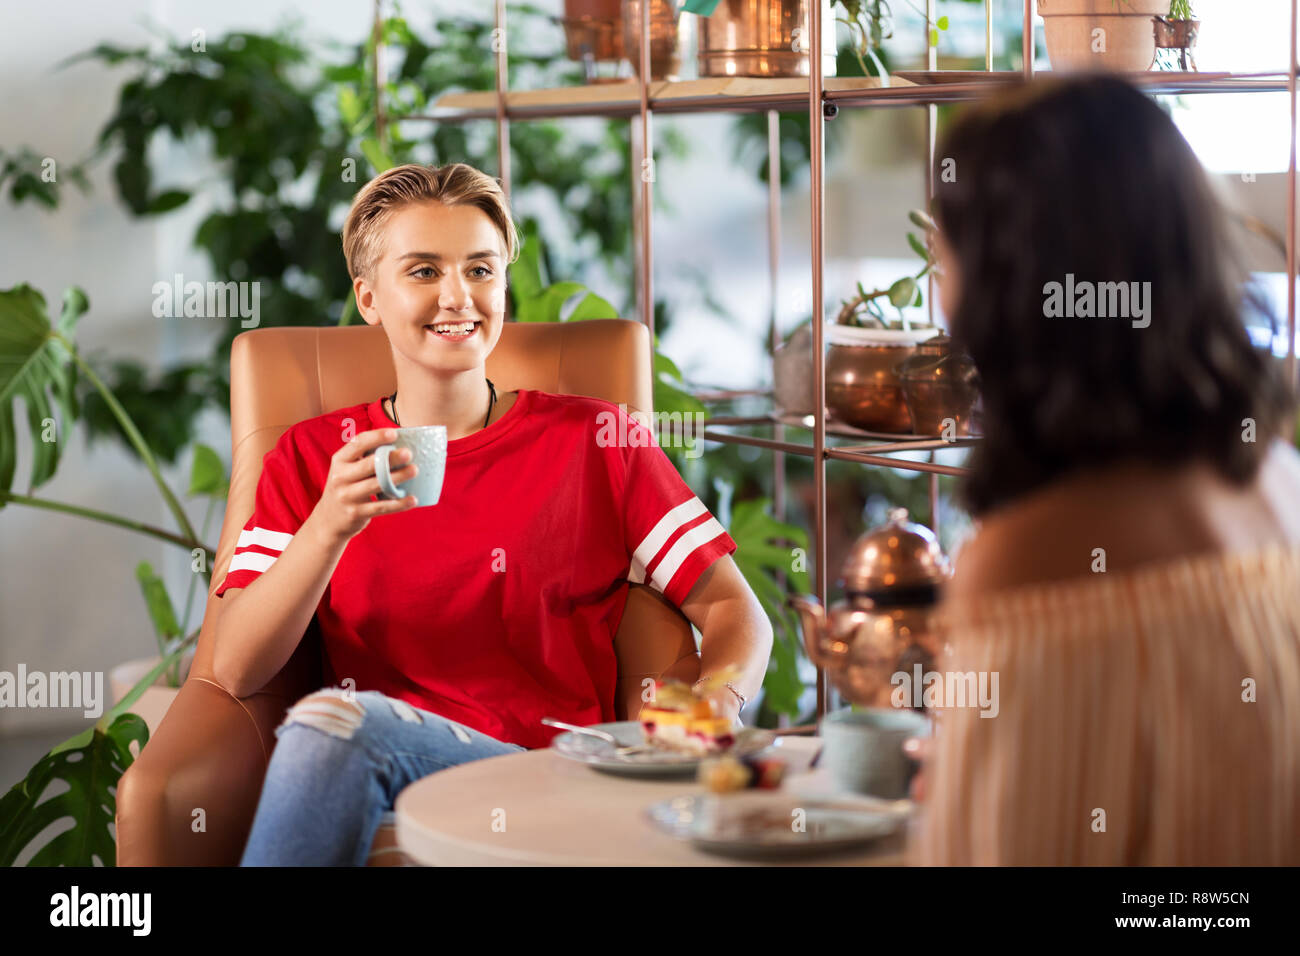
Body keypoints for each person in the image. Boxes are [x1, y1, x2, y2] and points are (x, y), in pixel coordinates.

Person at [211, 162, 773, 865]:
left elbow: (734, 608)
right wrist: (328, 528)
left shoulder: (596, 439)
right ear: (368, 297)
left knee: (334, 725)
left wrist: (719, 702)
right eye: (423, 271)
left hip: (551, 770)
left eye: (480, 269)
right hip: (389, 767)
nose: (458, 296)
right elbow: (237, 668)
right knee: (334, 726)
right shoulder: (313, 456)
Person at [908, 75, 1300, 865]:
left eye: (947, 257)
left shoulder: (1024, 565)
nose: (942, 298)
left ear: (1011, 289)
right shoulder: (1278, 481)